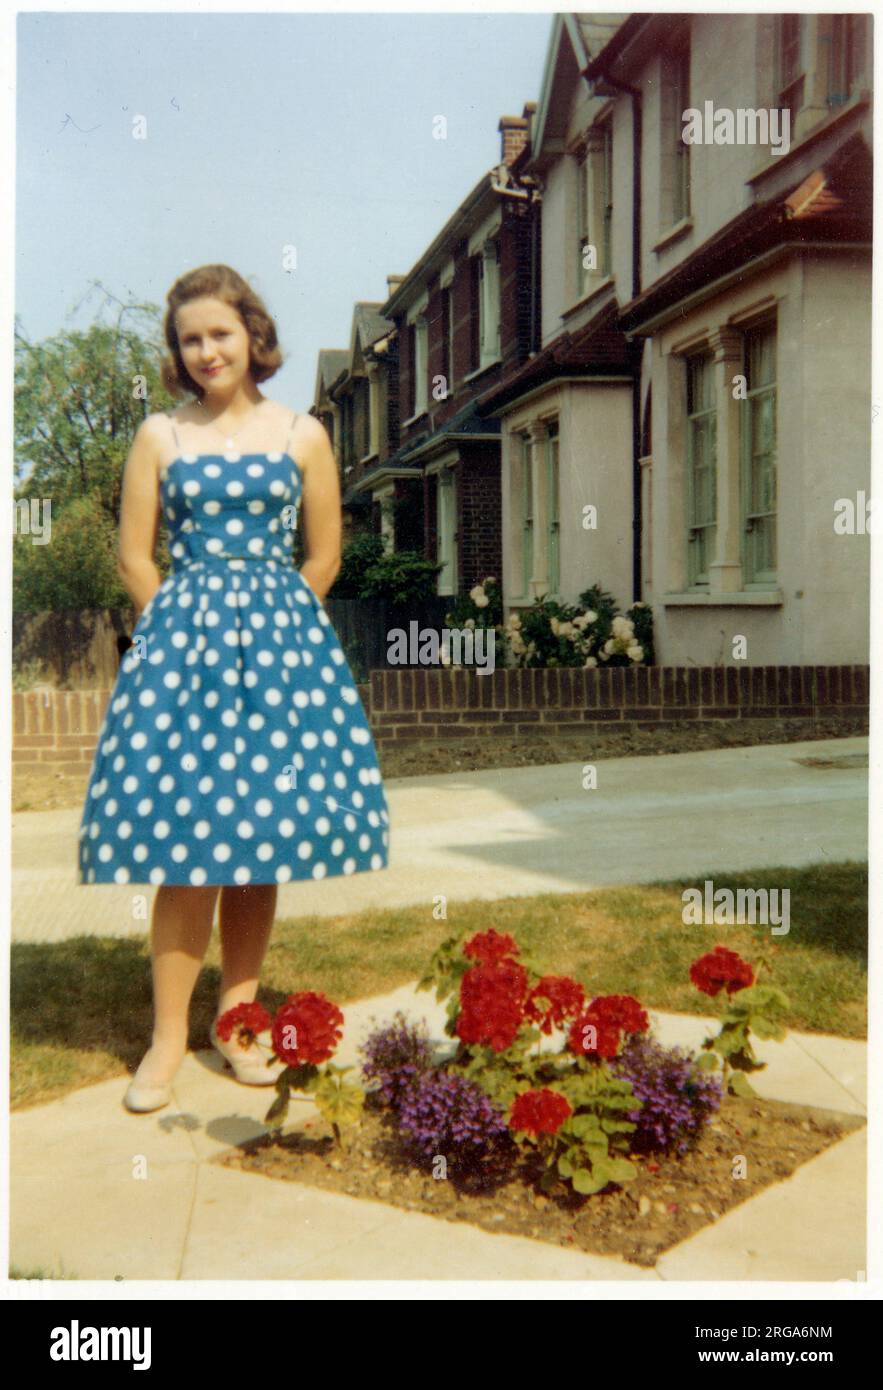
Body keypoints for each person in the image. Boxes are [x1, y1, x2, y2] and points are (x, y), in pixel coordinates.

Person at [76, 264, 391, 1112]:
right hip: (183, 659)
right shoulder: (158, 436)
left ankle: (240, 1020)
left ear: (252, 333)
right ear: (177, 353)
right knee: (187, 846)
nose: (206, 350)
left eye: (220, 332)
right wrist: (180, 630)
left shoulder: (303, 433)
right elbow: (135, 557)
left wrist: (278, 626)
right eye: (190, 339)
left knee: (260, 839)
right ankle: (168, 1038)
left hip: (280, 659)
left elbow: (322, 554)